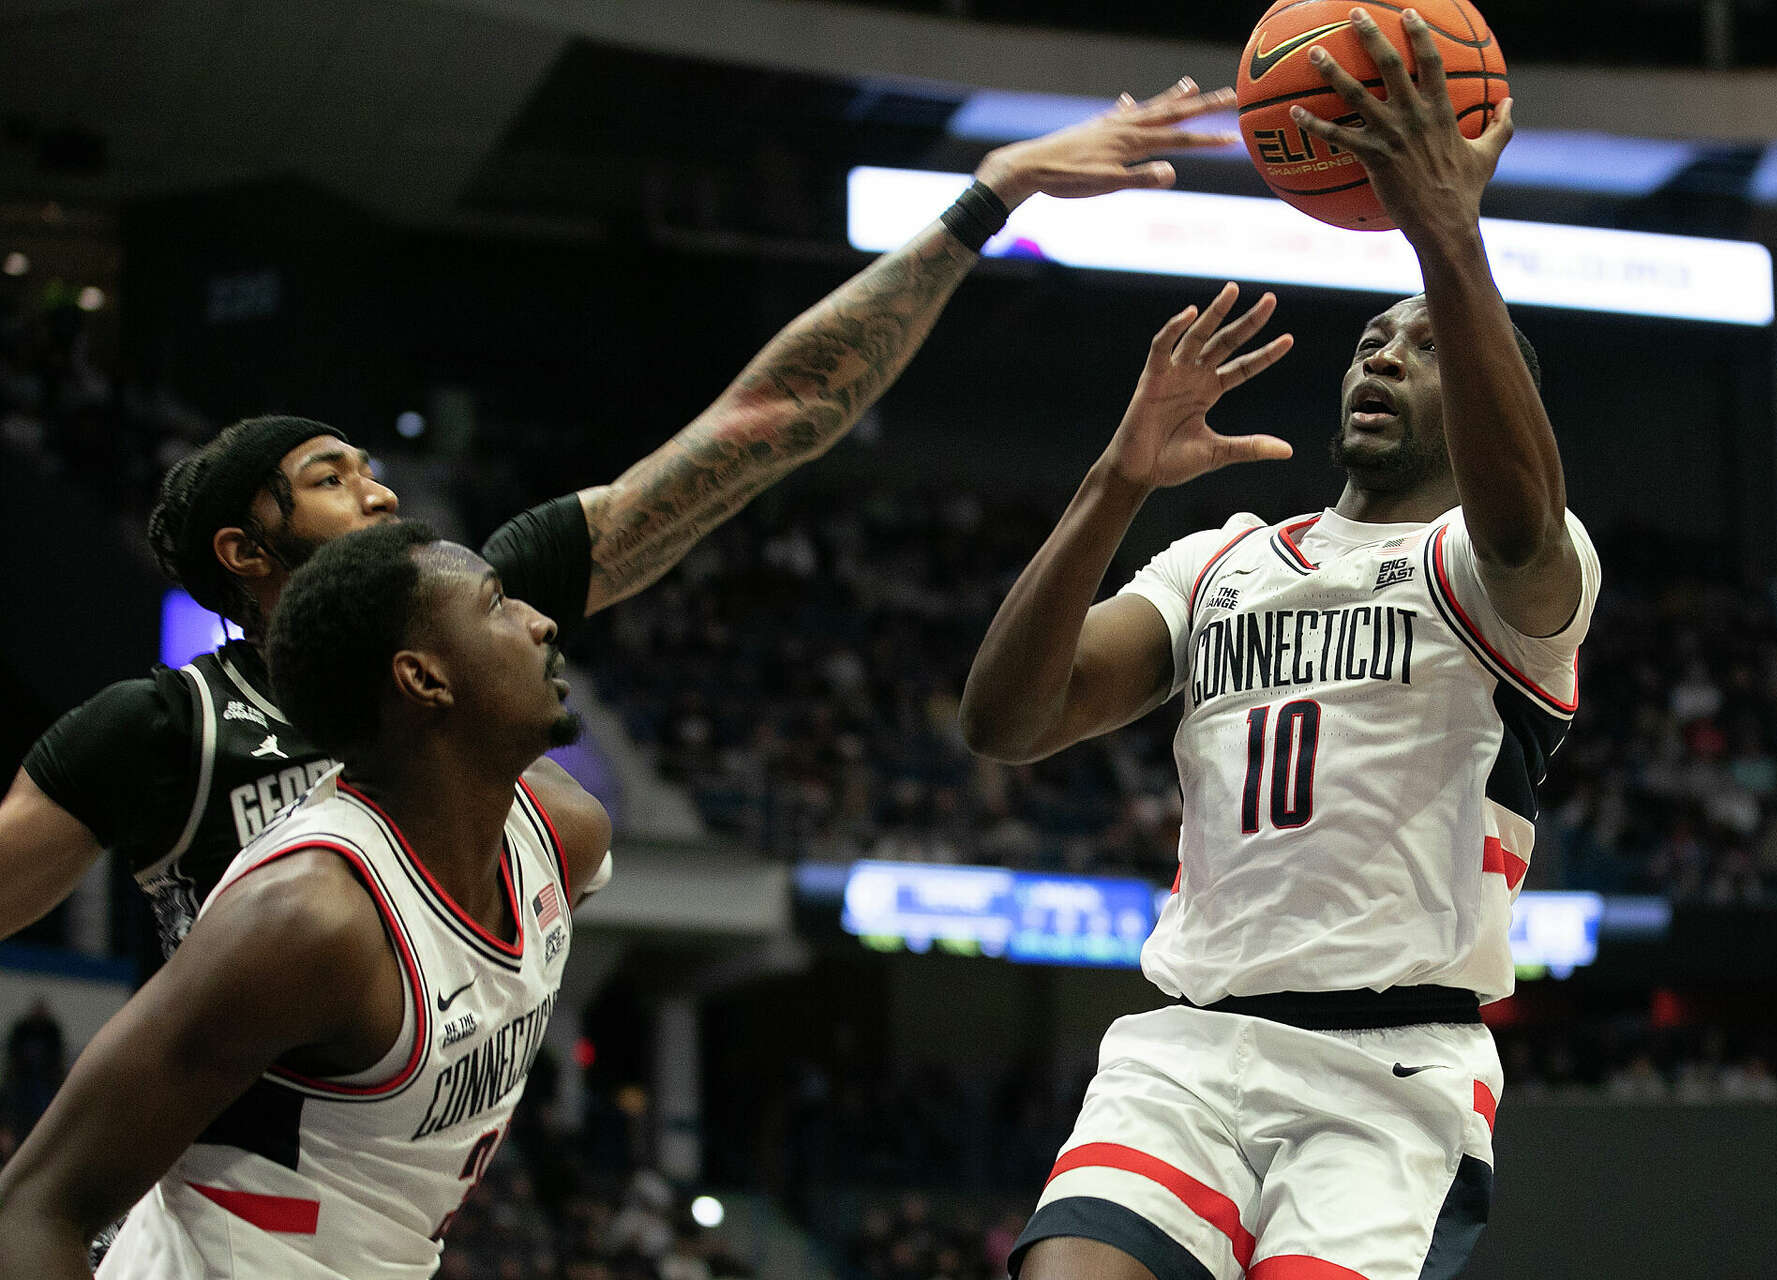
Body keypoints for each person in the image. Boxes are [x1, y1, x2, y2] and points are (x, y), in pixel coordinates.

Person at [0, 80, 1238, 958]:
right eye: (332, 476)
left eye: (372, 465)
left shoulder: (485, 605)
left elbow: (776, 416)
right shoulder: (165, 730)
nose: (381, 489)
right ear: (244, 550)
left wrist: (986, 198)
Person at [961, 13, 1601, 1280]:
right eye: (1376, 337)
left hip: (1391, 1071)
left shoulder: (1512, 569)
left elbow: (1518, 500)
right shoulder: (1218, 563)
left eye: (1427, 348)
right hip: (1189, 1050)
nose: (1386, 353)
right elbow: (1005, 721)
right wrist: (1114, 481)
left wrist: (1444, 234)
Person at [0, 521, 612, 1277]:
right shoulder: (309, 921)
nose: (539, 619)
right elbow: (38, 1205)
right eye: (496, 605)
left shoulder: (566, 836)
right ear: (423, 679)